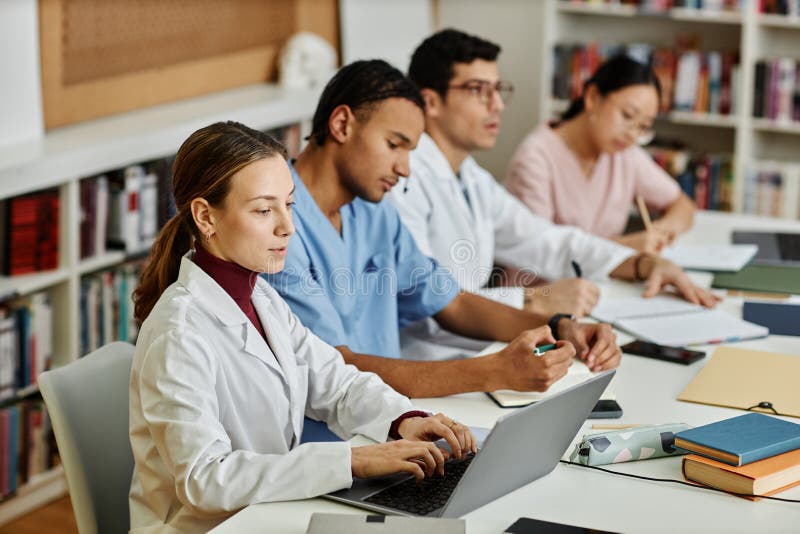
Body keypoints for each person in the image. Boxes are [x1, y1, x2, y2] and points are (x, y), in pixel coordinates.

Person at [128, 121, 475, 533]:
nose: (287, 226)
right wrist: (352, 461)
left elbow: (337, 383)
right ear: (206, 217)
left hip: (268, 515)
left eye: (289, 205)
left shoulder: (261, 297)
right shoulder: (178, 333)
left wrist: (405, 419)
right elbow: (204, 479)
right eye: (264, 210)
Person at [263, 59, 618, 409]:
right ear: (342, 124)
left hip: (395, 416)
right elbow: (337, 368)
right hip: (337, 431)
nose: (404, 169)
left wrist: (560, 327)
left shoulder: (373, 211)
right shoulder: (278, 228)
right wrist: (494, 371)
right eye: (394, 144)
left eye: (410, 151)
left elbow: (451, 302)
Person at [388, 29, 716, 361]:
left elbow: (547, 240)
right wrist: (533, 299)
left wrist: (642, 263)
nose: (497, 105)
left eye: (498, 90)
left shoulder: (471, 177)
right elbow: (427, 299)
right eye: (478, 91)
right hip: (429, 360)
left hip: (480, 349)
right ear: (431, 102)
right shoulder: (401, 178)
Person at [506, 54, 696, 254]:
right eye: (627, 115)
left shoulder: (624, 153)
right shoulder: (535, 158)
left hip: (604, 273)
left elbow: (683, 205)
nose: (632, 134)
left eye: (643, 126)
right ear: (593, 98)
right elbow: (539, 251)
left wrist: (663, 229)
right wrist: (624, 246)